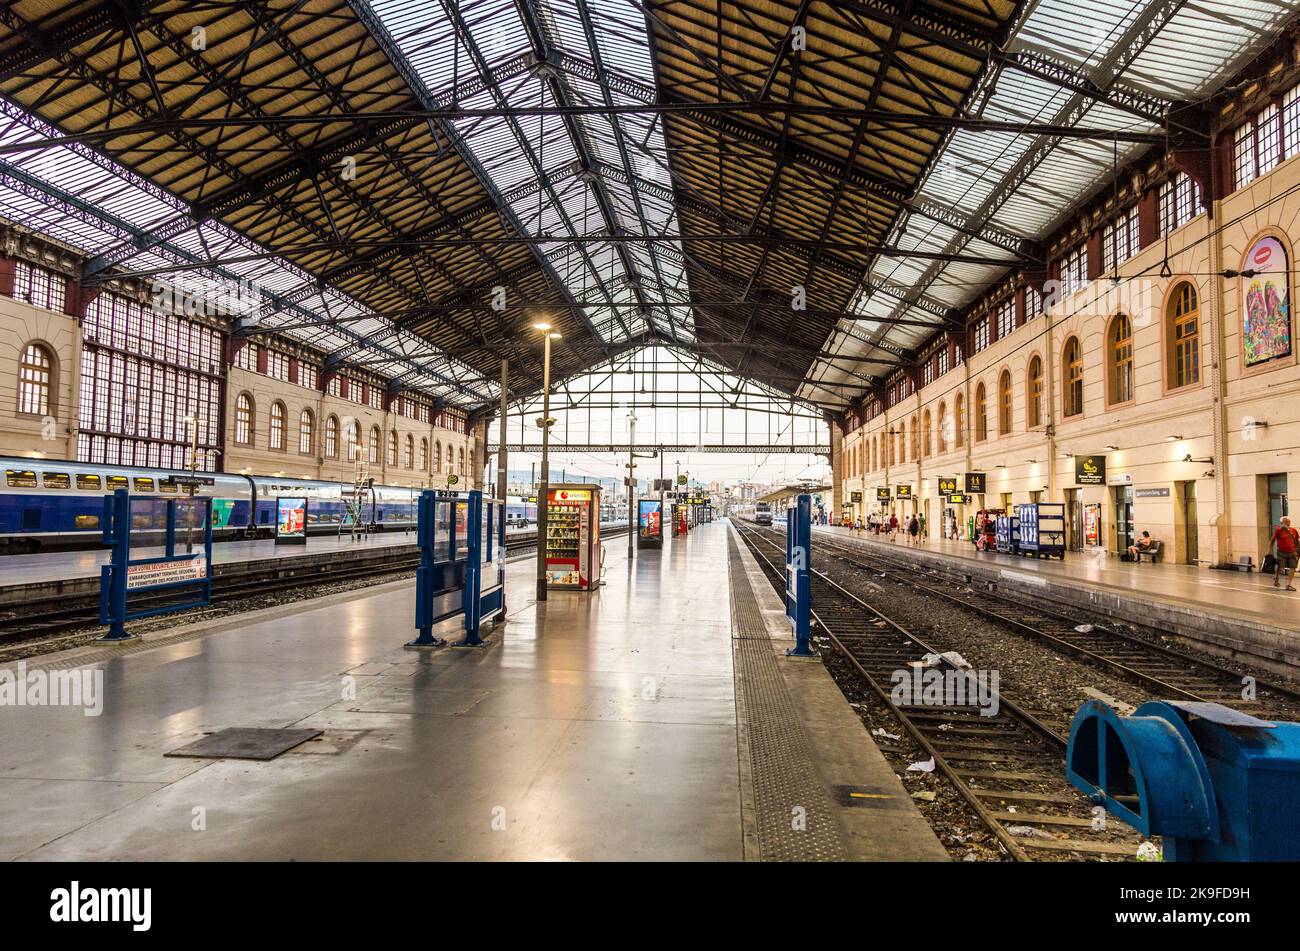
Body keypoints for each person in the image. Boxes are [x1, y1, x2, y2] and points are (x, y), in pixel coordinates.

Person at [1268, 516, 1299, 591]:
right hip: (1281, 552)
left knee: (1293, 567)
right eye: (1286, 522)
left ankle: (1288, 584)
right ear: (1282, 523)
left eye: (1289, 521)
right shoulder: (1278, 530)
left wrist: (1298, 550)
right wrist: (1270, 550)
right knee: (1280, 567)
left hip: (1292, 552)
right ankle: (1276, 579)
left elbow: (1297, 540)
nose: (1288, 523)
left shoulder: (1294, 530)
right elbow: (1272, 541)